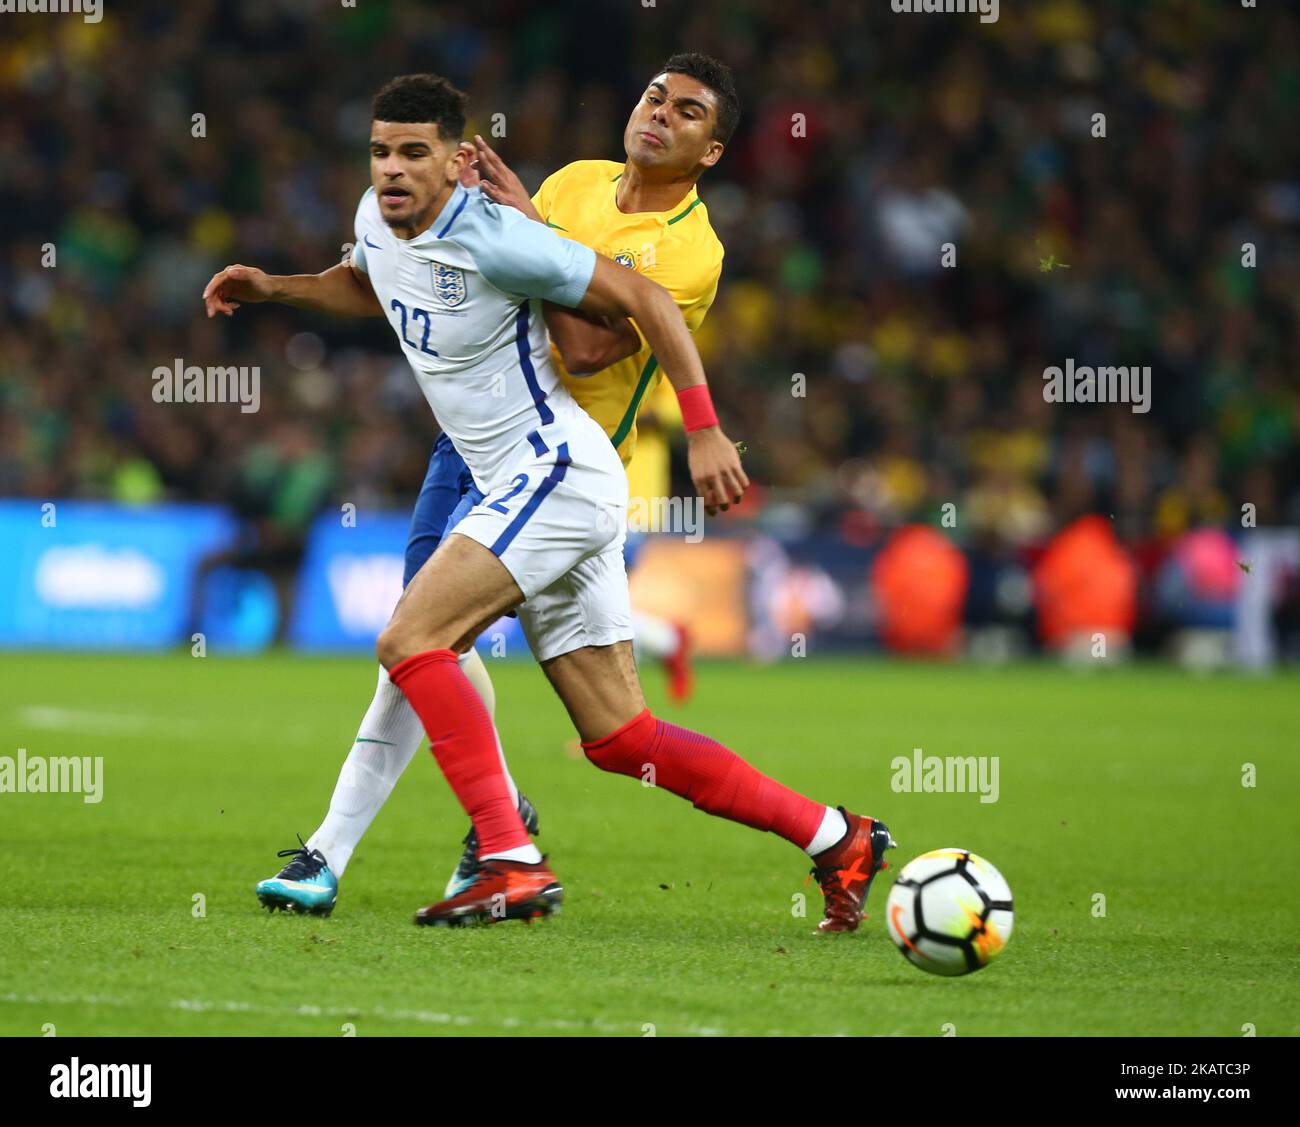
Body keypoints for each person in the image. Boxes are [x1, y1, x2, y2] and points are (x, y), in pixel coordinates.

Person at [204, 71, 894, 933]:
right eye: (653, 95)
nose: (658, 114)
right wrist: (277, 289)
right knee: (618, 736)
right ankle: (837, 836)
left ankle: (492, 851)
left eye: (687, 112)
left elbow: (588, 328)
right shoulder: (566, 185)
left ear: (712, 151)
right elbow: (387, 276)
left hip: (558, 461)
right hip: (485, 454)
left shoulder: (683, 248)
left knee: (415, 638)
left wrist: (704, 427)